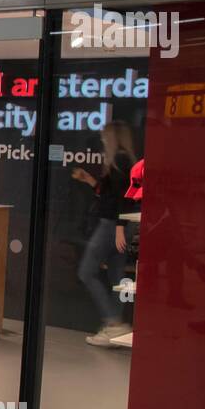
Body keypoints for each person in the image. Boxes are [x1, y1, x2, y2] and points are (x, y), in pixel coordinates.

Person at [71, 122, 136, 346]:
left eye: (105, 137)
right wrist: (89, 180)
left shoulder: (118, 161)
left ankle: (114, 323)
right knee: (116, 276)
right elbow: (111, 195)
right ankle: (115, 325)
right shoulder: (126, 161)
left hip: (113, 225)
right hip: (120, 225)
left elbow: (122, 200)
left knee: (86, 271)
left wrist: (119, 228)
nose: (103, 141)